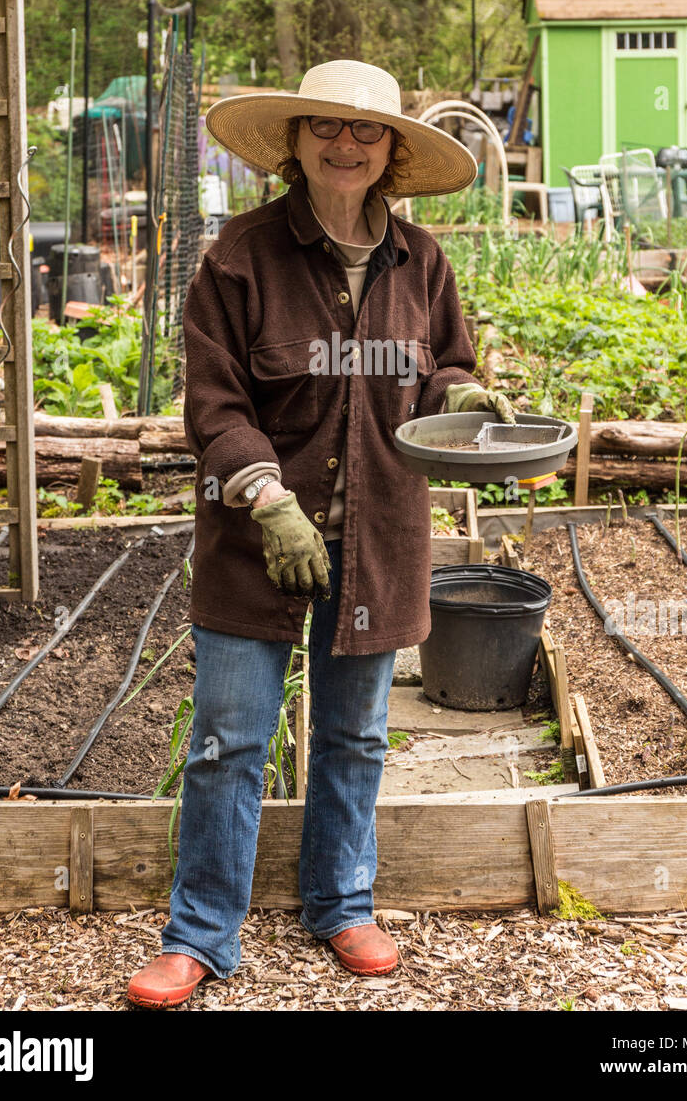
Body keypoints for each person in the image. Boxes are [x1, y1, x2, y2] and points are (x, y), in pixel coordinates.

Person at [127, 59, 515, 1008]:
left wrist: (462, 397)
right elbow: (215, 404)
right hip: (256, 540)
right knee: (227, 740)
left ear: (389, 153)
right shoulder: (239, 257)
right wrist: (267, 497)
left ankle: (341, 904)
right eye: (326, 130)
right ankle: (201, 935)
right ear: (294, 144)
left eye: (366, 133)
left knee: (356, 735)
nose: (345, 146)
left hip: (379, 537)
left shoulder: (420, 262)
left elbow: (444, 371)